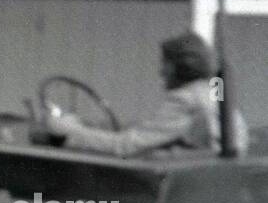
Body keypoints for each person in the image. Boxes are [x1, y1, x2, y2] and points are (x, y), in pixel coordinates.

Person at [39, 32, 248, 158]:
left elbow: (125, 146)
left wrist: (69, 131)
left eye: (165, 64)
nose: (161, 71)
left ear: (180, 67)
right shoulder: (213, 89)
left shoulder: (185, 99)